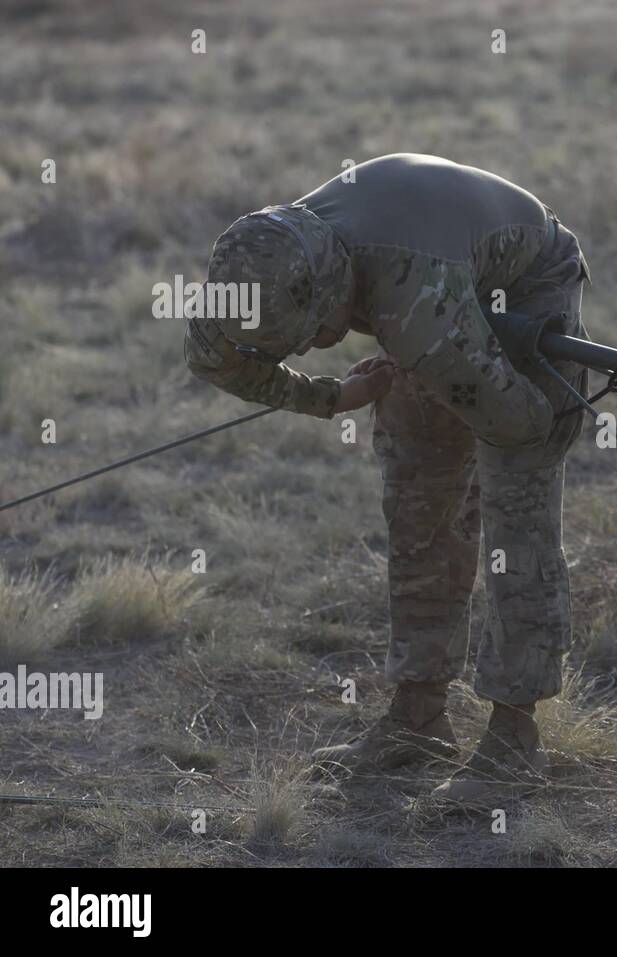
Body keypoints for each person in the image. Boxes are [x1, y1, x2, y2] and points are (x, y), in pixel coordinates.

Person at [185, 153, 591, 804]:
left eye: (317, 335)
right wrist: (327, 397)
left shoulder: (415, 309)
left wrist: (490, 386)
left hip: (526, 284)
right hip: (434, 301)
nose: (319, 345)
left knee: (517, 508)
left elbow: (520, 424)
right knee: (418, 498)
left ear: (338, 292)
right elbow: (214, 358)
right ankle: (420, 719)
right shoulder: (259, 265)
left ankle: (515, 738)